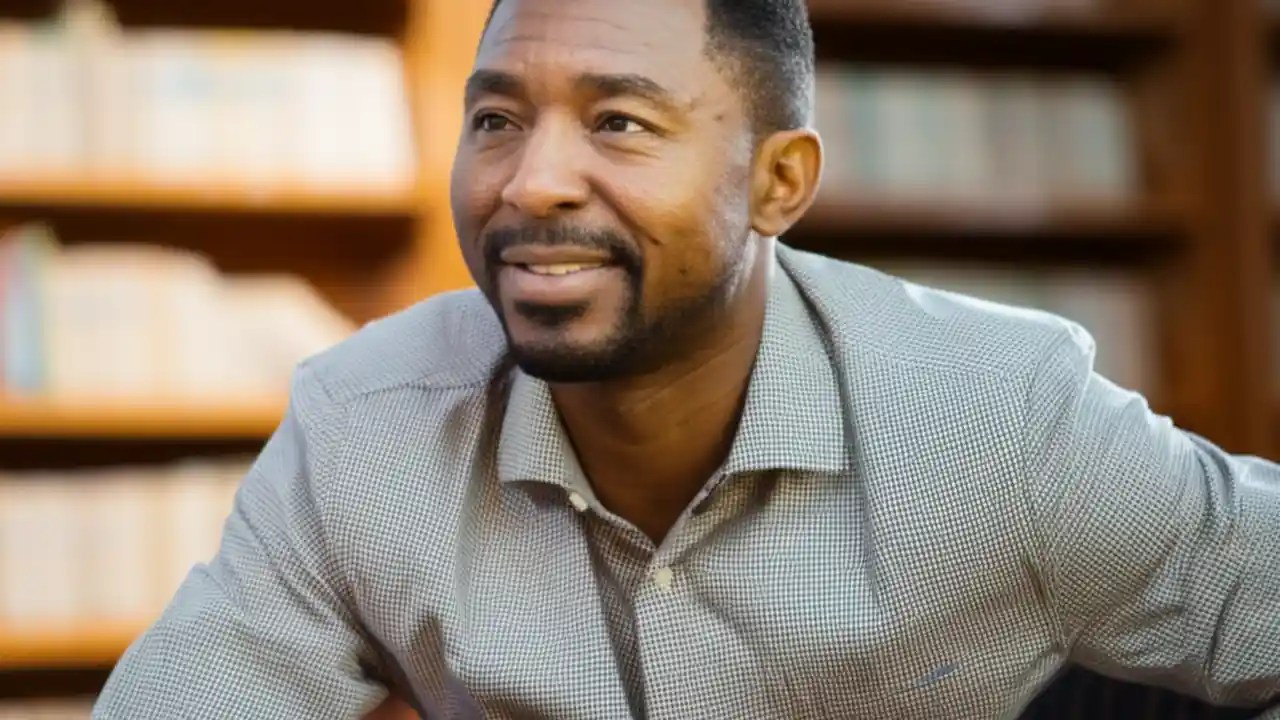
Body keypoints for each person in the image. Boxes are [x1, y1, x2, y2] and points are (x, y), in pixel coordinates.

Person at [94, 0, 1279, 718]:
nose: (531, 181)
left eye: (619, 121)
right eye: (495, 119)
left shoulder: (992, 420)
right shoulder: (366, 431)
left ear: (778, 183)